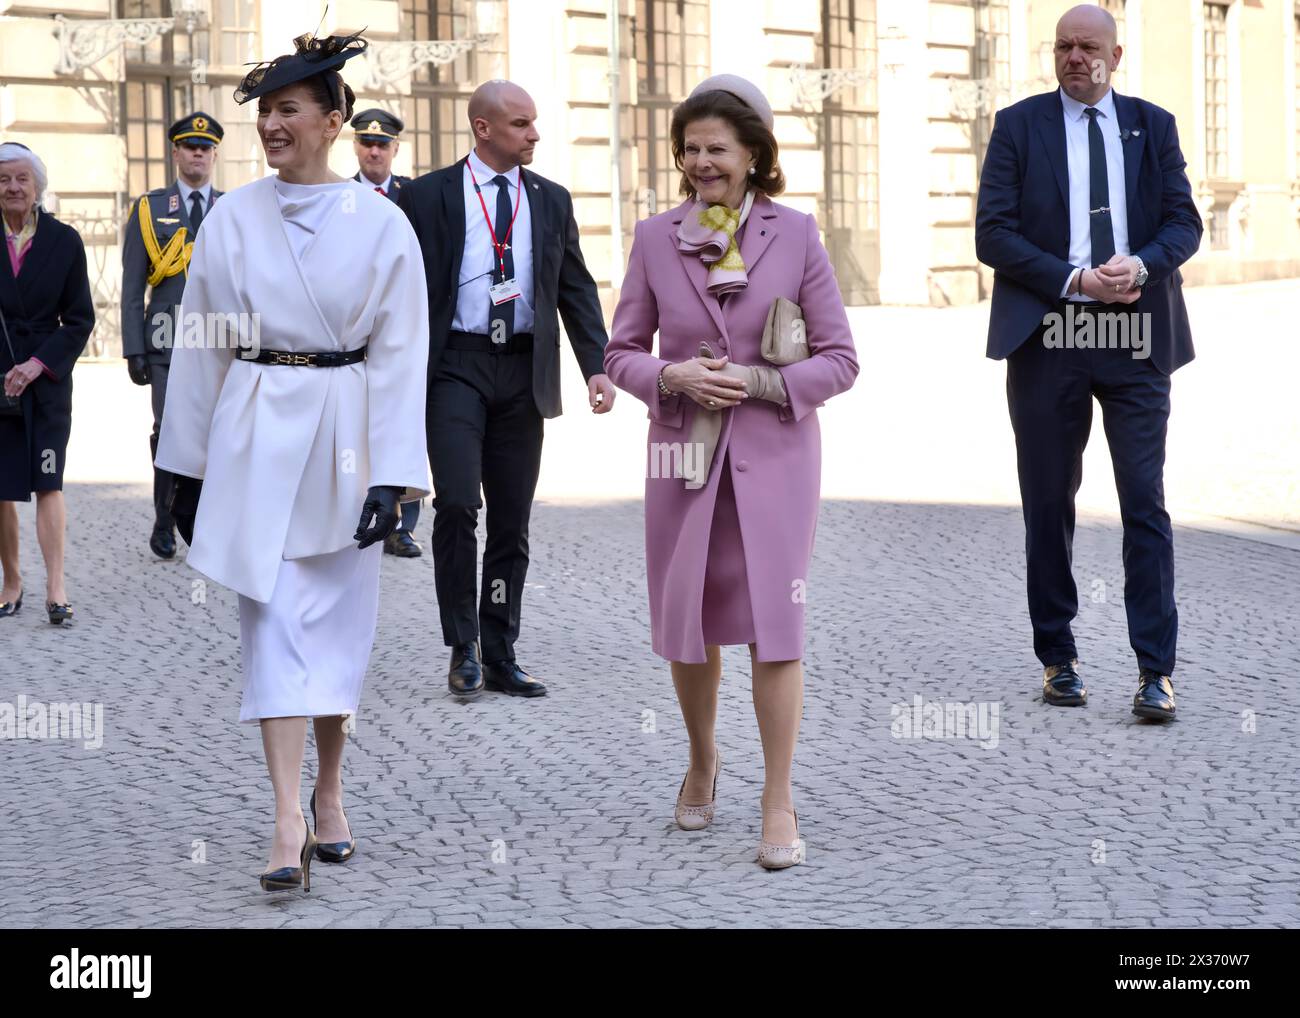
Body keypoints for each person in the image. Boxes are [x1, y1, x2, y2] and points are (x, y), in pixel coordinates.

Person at [155, 31, 431, 893]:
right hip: (255, 428)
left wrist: (396, 472)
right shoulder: (234, 216)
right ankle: (284, 817)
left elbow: (401, 352)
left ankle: (331, 789)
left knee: (337, 634)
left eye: (287, 111)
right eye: (266, 112)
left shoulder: (382, 224)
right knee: (271, 626)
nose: (271, 125)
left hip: (346, 430)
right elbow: (200, 347)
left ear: (332, 120)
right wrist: (184, 467)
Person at [603, 76, 858, 869]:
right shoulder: (653, 238)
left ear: (754, 154)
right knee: (691, 624)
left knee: (775, 630)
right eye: (690, 149)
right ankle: (702, 758)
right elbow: (618, 355)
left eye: (717, 148)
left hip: (775, 459)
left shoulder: (799, 234)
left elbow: (842, 360)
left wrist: (762, 383)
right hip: (681, 456)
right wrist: (670, 378)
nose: (702, 162)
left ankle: (777, 798)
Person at [975, 4, 1201, 722]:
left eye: (1088, 47)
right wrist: (1073, 279)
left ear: (1116, 54)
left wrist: (1141, 264)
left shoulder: (1152, 124)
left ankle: (1155, 672)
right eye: (1064, 46)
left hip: (1137, 339)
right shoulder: (1019, 126)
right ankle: (1058, 658)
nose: (1075, 57)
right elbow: (993, 233)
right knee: (1049, 500)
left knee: (1145, 501)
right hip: (1049, 336)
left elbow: (1183, 222)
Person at [399, 79, 615, 701]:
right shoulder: (427, 196)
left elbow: (574, 286)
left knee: (512, 522)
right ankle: (462, 644)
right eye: (521, 124)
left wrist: (596, 364)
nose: (535, 134)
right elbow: (397, 287)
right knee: (460, 503)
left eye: (535, 122)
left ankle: (500, 651)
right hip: (456, 368)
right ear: (483, 128)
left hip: (523, 372)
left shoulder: (550, 199)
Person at [120, 112, 224, 560]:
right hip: (165, 340)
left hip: (220, 341)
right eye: (189, 146)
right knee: (169, 428)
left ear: (215, 154)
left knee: (220, 430)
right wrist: (133, 349)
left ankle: (209, 518)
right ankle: (164, 519)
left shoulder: (232, 208)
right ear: (176, 152)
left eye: (205, 147)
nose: (197, 153)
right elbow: (130, 286)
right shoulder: (151, 208)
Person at [0, 141, 95, 625]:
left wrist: (38, 363)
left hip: (48, 379)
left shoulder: (64, 240)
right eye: (3, 180)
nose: (13, 187)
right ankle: (11, 581)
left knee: (47, 480)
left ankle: (56, 588)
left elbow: (79, 319)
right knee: (0, 486)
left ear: (37, 185)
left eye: (21, 178)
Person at [349, 106, 422, 557]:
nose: (374, 150)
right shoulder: (336, 195)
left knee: (405, 412)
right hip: (354, 323)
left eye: (382, 144)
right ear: (354, 146)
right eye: (366, 142)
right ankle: (360, 506)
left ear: (396, 149)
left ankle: (404, 523)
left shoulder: (414, 196)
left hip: (401, 319)